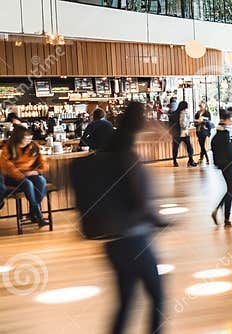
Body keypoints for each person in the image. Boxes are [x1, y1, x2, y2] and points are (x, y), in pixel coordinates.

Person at [70, 102, 165, 334]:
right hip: (134, 239)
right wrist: (159, 220)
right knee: (157, 297)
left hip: (113, 243)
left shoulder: (112, 155)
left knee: (126, 303)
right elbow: (141, 202)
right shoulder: (127, 158)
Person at [2, 127, 48, 225]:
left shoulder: (34, 146)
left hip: (29, 173)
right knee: (28, 184)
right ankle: (38, 215)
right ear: (19, 137)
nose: (29, 140)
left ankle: (33, 212)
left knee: (41, 180)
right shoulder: (8, 149)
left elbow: (43, 163)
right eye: (26, 138)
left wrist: (37, 171)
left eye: (30, 138)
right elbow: (8, 168)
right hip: (12, 177)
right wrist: (23, 175)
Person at [170, 101, 197, 167]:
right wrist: (187, 126)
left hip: (176, 134)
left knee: (175, 148)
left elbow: (170, 123)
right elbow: (183, 124)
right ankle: (190, 160)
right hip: (184, 133)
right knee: (189, 147)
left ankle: (175, 161)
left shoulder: (174, 113)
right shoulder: (184, 113)